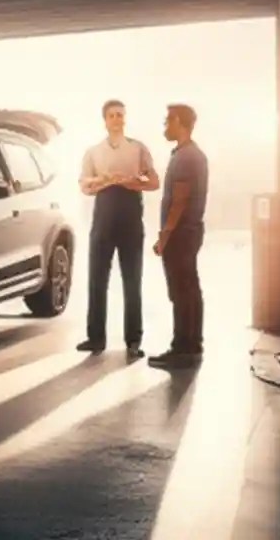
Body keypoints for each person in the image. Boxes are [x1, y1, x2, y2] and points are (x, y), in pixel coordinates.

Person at [77, 99, 160, 359]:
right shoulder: (93, 152)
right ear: (105, 120)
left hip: (130, 218)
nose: (117, 119)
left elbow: (154, 181)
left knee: (132, 280)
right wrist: (101, 181)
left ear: (125, 119)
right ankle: (95, 338)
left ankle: (133, 340)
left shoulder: (138, 149)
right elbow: (83, 184)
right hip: (102, 216)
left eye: (121, 115)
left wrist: (133, 182)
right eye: (112, 115)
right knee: (97, 279)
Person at [149, 103, 209, 368]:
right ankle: (192, 343)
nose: (164, 126)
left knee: (181, 291)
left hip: (181, 234)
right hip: (190, 232)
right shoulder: (190, 154)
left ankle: (182, 347)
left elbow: (180, 200)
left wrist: (165, 235)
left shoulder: (186, 157)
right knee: (190, 288)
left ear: (179, 123)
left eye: (167, 121)